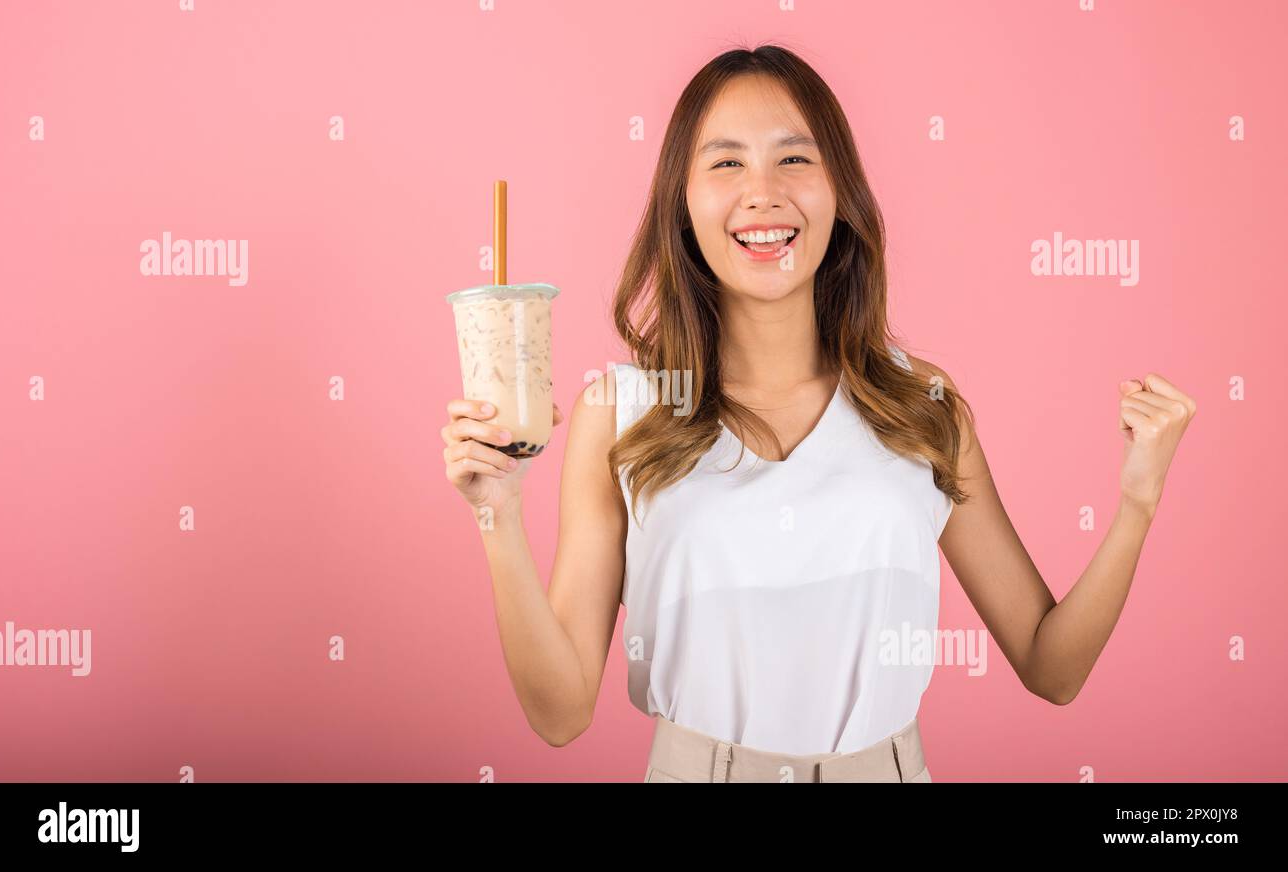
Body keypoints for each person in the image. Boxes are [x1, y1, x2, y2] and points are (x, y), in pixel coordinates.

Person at [440, 44, 1197, 782]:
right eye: (727, 161)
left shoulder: (920, 408)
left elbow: (1050, 665)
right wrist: (499, 516)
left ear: (841, 193)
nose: (763, 191)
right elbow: (561, 713)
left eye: (795, 159)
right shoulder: (622, 412)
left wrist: (1137, 500)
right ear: (683, 202)